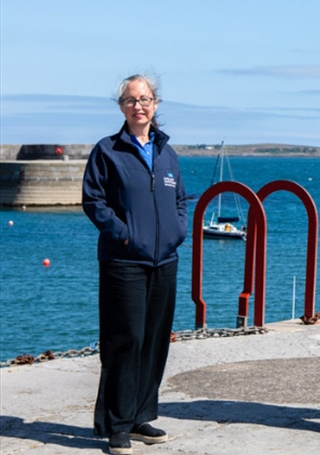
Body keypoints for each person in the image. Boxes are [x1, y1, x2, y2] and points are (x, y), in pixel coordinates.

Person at [82, 74, 188, 455]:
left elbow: (180, 201)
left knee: (155, 341)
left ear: (155, 104)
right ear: (121, 107)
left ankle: (142, 414)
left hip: (165, 260)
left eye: (144, 99)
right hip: (123, 261)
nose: (138, 105)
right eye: (130, 100)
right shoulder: (107, 150)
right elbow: (94, 202)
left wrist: (178, 231)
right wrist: (124, 234)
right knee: (124, 341)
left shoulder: (166, 153)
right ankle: (117, 425)